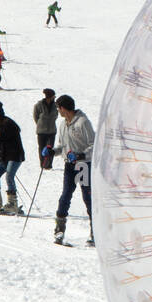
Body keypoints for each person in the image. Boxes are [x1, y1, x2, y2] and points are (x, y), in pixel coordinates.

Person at [46, 94, 94, 246]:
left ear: (63, 108)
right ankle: (59, 230)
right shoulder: (62, 124)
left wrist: (81, 154)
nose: (58, 111)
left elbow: (95, 145)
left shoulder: (83, 122)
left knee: (88, 197)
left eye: (58, 108)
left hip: (83, 165)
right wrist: (53, 151)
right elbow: (62, 147)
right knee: (65, 195)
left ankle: (95, 231)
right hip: (69, 165)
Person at [0, 102, 26, 213]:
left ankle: (12, 203)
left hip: (14, 156)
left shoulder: (9, 124)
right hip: (4, 156)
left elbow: (4, 136)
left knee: (9, 176)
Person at [34, 88, 58, 169]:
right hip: (41, 131)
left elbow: (56, 115)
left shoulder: (55, 105)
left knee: (50, 148)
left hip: (52, 131)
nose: (54, 98)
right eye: (53, 96)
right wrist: (40, 124)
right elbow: (36, 116)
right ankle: (43, 164)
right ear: (49, 96)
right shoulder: (39, 105)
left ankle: (49, 164)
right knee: (42, 148)